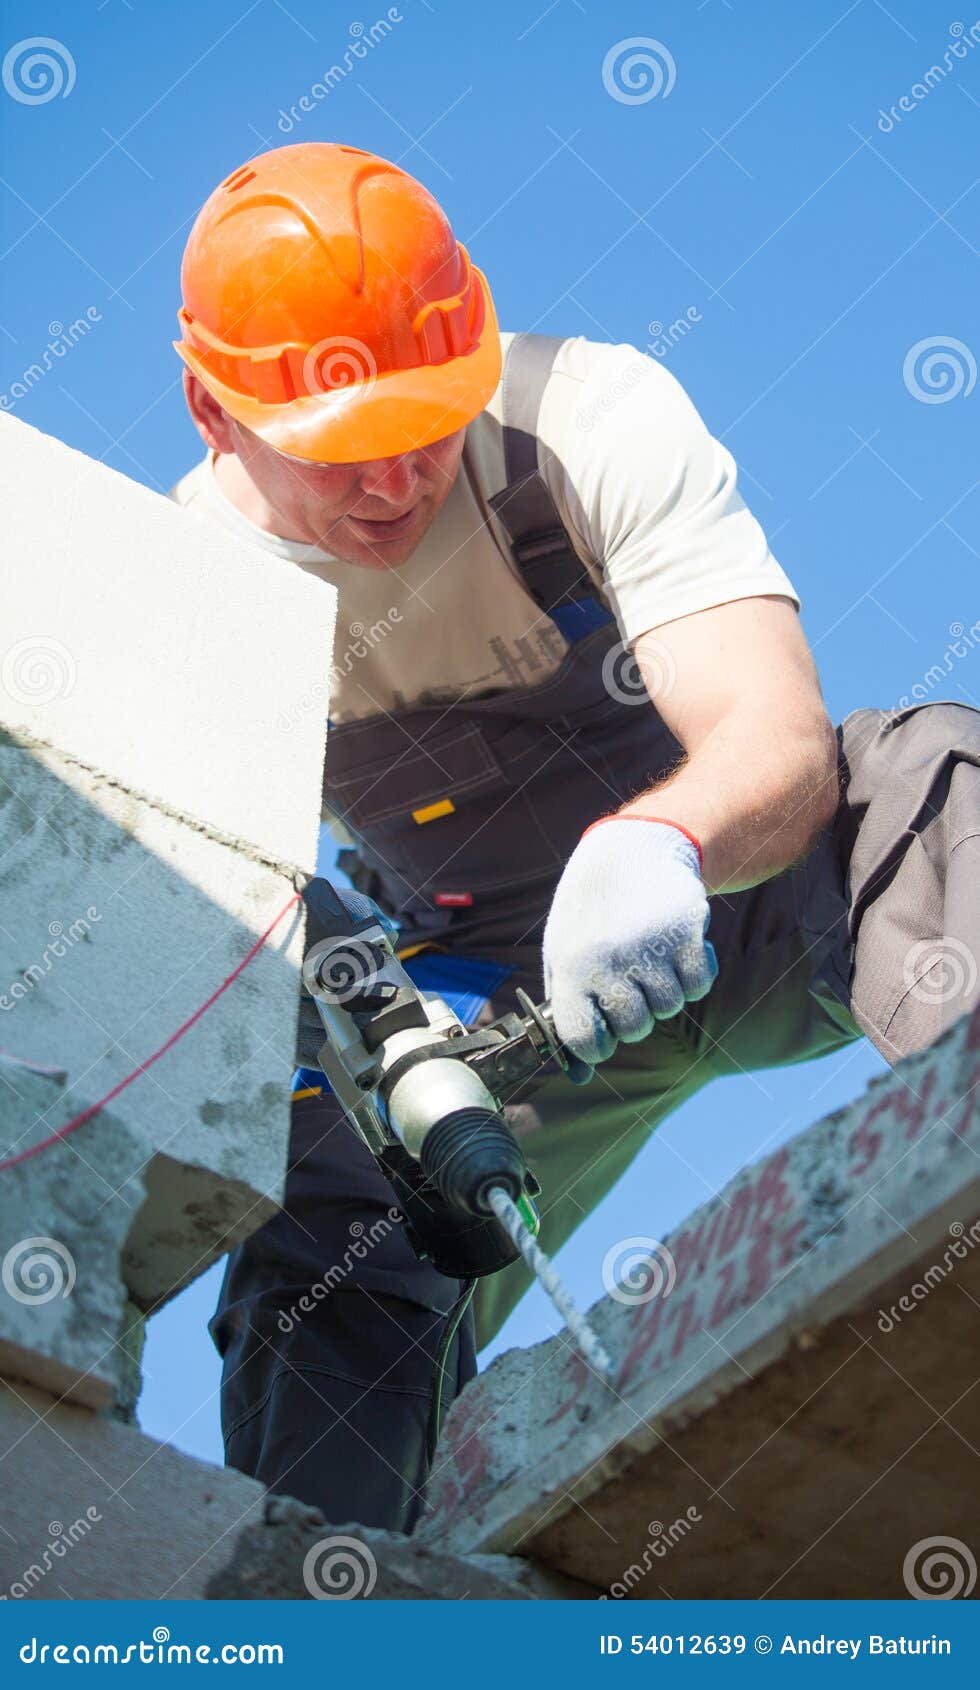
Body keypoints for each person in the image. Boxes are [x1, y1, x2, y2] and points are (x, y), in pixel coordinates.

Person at [171, 141, 979, 1533]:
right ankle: (343, 1594)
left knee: (937, 784)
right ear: (214, 413)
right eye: (345, 453)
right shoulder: (186, 595)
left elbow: (777, 736)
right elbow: (229, 917)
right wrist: (386, 1050)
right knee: (323, 1228)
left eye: (429, 423)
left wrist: (663, 840)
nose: (396, 481)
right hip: (495, 1005)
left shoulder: (587, 415)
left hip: (745, 889)